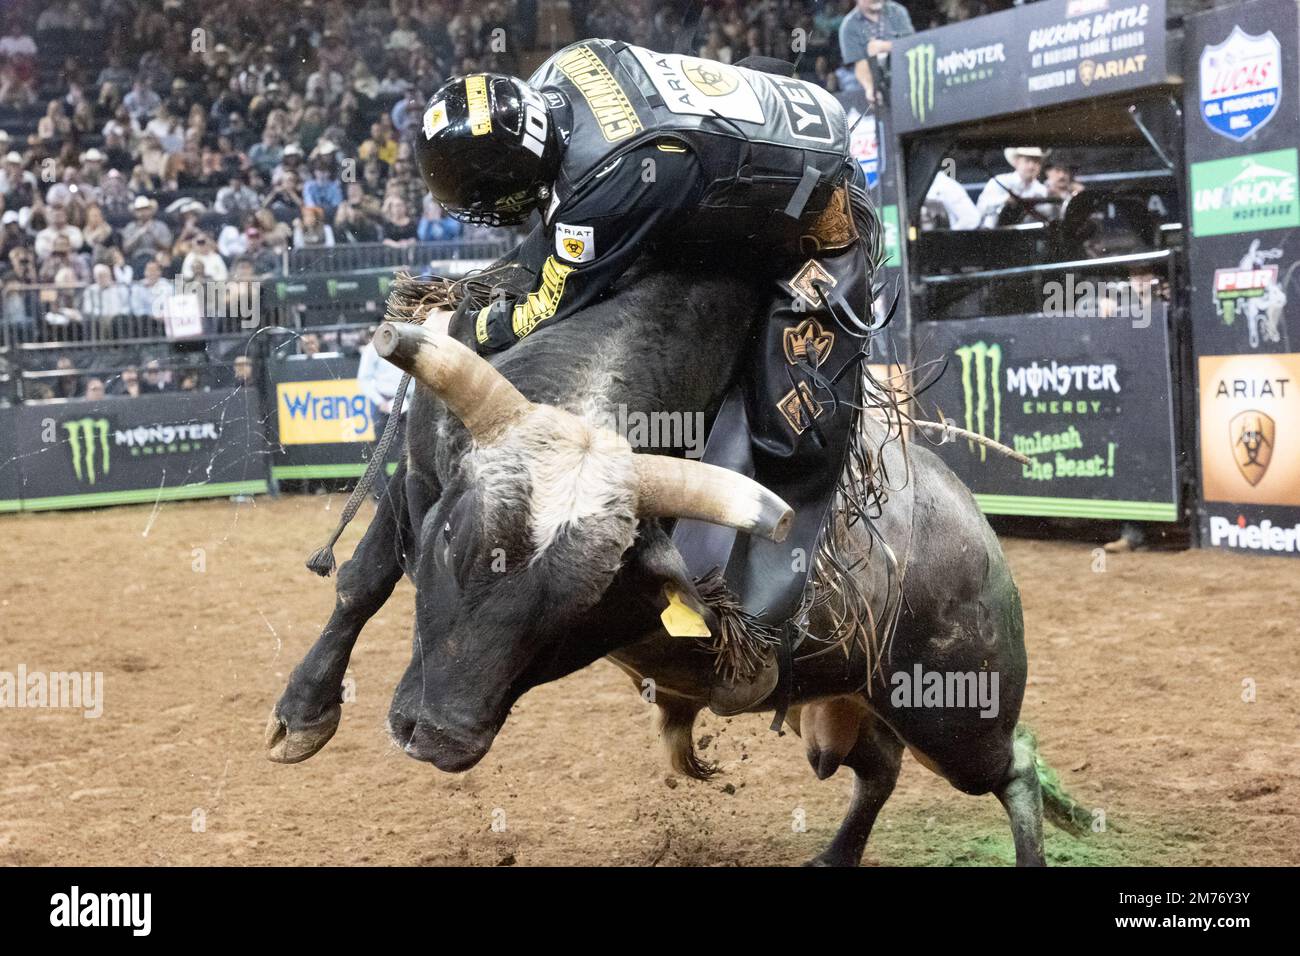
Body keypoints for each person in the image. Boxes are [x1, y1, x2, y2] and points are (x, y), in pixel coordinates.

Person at [412, 45, 893, 703]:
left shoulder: (604, 186)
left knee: (798, 427)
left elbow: (554, 299)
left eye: (486, 196)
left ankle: (760, 622)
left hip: (820, 218)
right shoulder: (564, 65)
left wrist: (472, 326)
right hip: (727, 166)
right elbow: (553, 244)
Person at [839, 0, 915, 103]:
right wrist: (870, 88)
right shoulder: (849, 26)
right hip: (872, 75)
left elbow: (913, 45)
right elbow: (860, 64)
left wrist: (884, 47)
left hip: (904, 72)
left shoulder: (897, 11)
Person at [975, 147, 1050, 228]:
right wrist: (1005, 200)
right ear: (1016, 162)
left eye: (1036, 162)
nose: (1031, 166)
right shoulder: (999, 181)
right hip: (993, 233)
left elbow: (1048, 216)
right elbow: (981, 209)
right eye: (1027, 161)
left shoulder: (1042, 190)